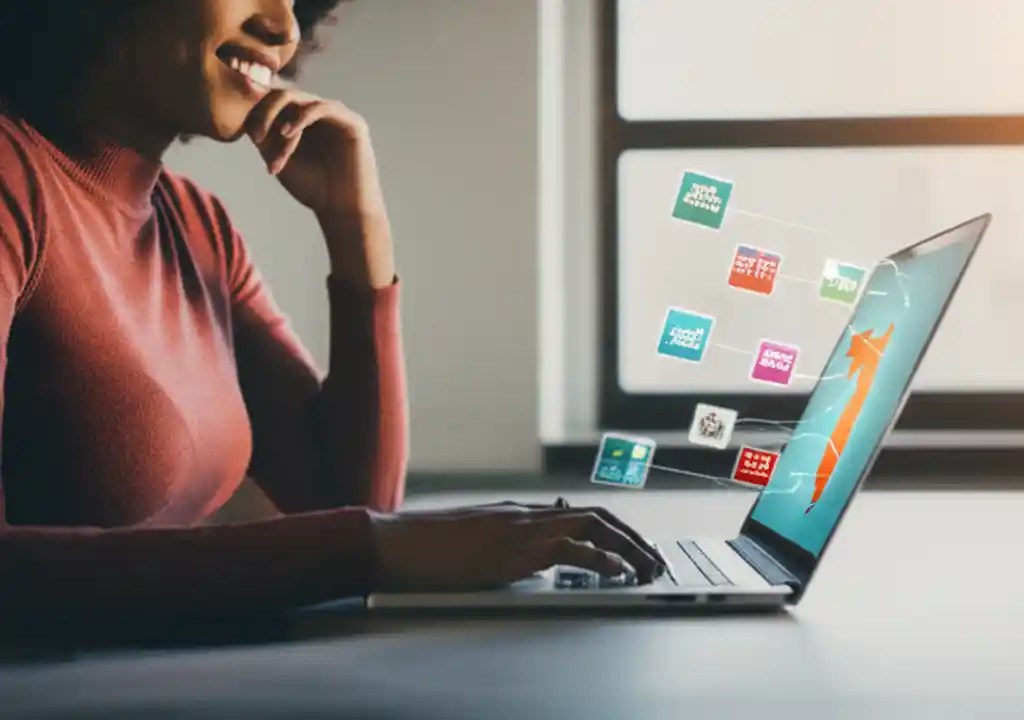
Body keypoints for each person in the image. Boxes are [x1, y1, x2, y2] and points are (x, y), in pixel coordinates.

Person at [0, 0, 661, 620]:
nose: (283, 28)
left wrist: (355, 223)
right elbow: (365, 535)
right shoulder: (14, 181)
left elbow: (352, 501)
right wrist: (375, 548)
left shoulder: (198, 224)